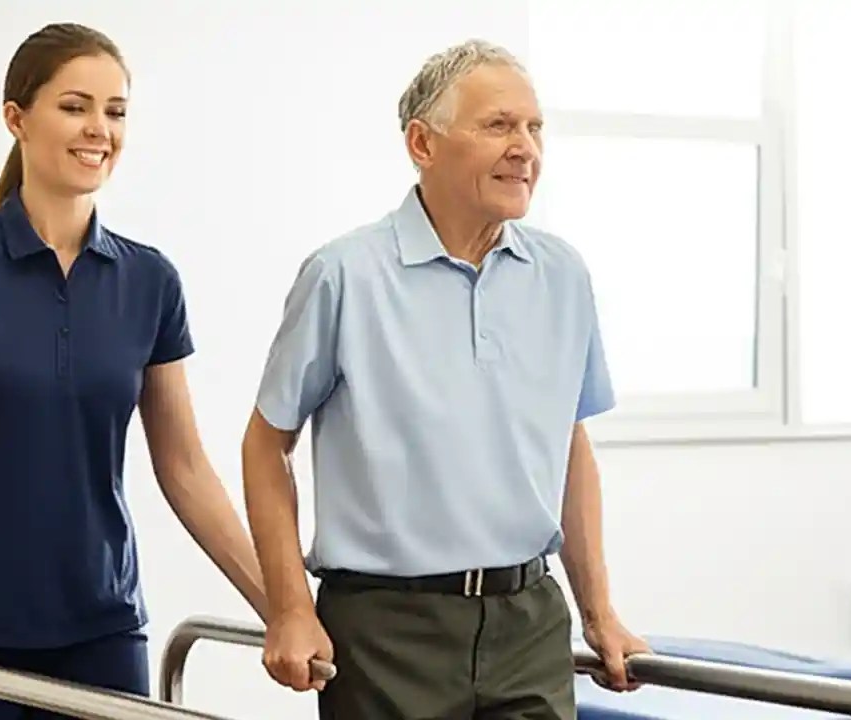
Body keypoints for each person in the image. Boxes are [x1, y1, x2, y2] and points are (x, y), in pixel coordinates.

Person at [242, 39, 651, 720]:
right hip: (385, 630)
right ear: (422, 144)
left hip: (529, 623)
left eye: (534, 127)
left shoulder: (563, 276)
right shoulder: (344, 275)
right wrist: (288, 607)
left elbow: (569, 448)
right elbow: (264, 445)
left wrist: (599, 611)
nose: (525, 147)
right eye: (498, 126)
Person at [0, 22, 266, 719]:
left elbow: (186, 469)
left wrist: (284, 606)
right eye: (75, 106)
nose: (99, 129)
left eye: (115, 111)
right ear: (15, 118)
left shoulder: (150, 281)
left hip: (100, 630)